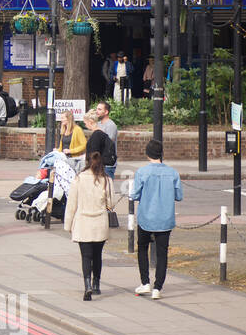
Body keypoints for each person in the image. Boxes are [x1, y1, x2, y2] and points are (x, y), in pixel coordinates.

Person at [128, 138, 183, 299]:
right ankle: (158, 287)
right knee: (162, 253)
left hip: (146, 216)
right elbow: (179, 196)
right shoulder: (173, 173)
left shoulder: (142, 172)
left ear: (147, 154)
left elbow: (135, 194)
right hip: (165, 218)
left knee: (142, 248)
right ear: (161, 153)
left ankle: (145, 282)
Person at [65, 149, 116, 300]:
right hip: (99, 223)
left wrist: (68, 225)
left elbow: (71, 204)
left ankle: (87, 285)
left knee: (86, 256)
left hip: (83, 223)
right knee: (97, 255)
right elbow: (111, 204)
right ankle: (96, 285)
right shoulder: (106, 180)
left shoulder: (79, 178)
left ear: (87, 163)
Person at [94, 101, 118, 179]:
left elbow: (108, 144)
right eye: (97, 109)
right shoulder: (98, 124)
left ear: (106, 112)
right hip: (98, 162)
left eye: (100, 109)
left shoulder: (111, 125)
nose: (97, 111)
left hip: (107, 164)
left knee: (107, 188)